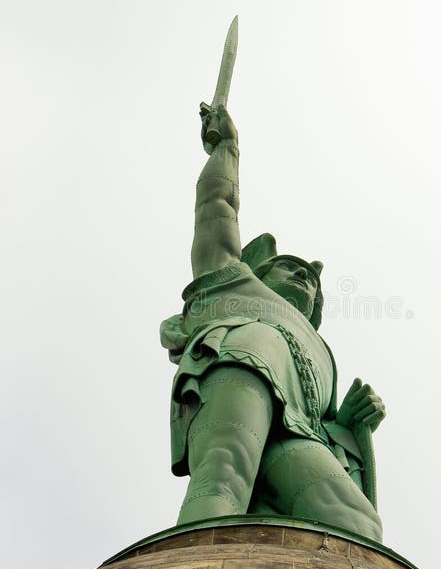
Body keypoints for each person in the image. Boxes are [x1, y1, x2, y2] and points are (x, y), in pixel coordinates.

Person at [161, 105, 385, 541]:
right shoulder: (234, 282)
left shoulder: (324, 356)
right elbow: (215, 208)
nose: (304, 277)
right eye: (289, 267)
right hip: (242, 363)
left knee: (358, 525)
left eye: (312, 280)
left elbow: (326, 425)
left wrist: (355, 423)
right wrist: (227, 149)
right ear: (260, 272)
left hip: (296, 428)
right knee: (224, 478)